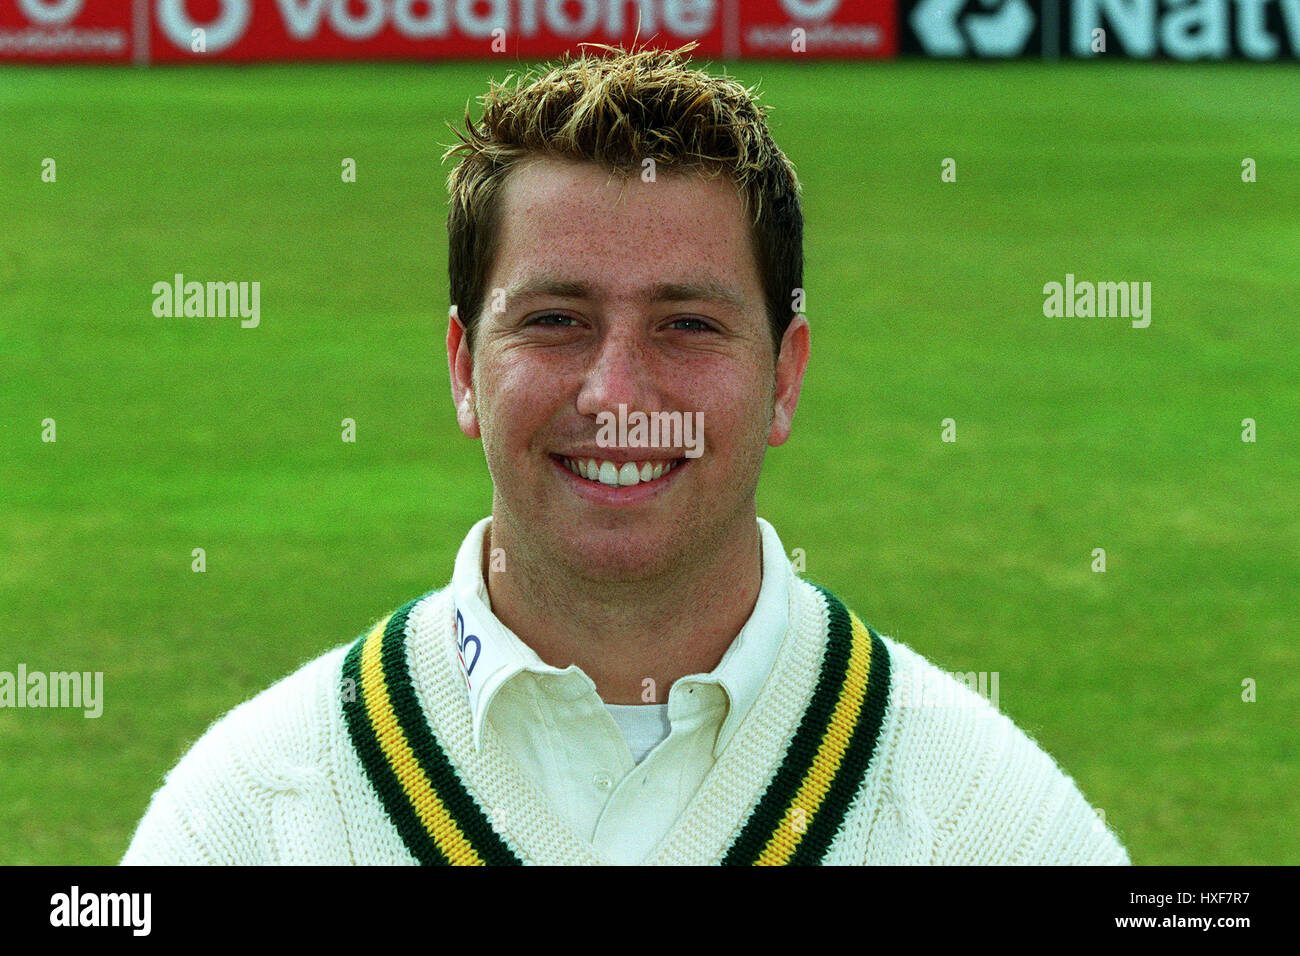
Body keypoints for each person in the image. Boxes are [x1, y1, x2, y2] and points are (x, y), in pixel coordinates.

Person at [122, 43, 1129, 866]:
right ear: (463, 366)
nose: (615, 394)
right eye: (556, 318)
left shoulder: (992, 825)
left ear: (784, 375)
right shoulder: (245, 818)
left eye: (686, 324)